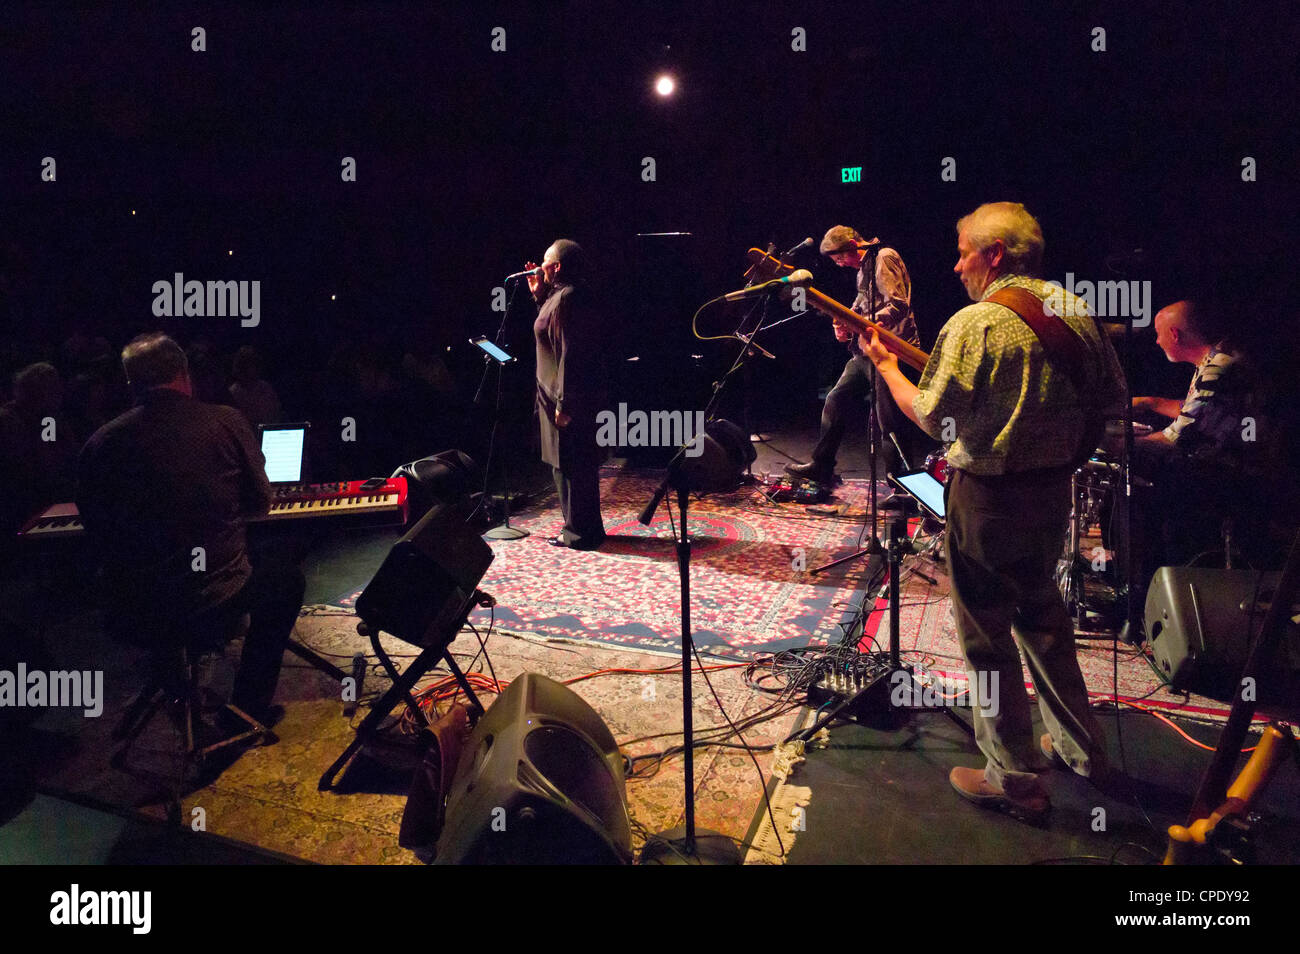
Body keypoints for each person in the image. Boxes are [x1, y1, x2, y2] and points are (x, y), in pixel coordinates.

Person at [863, 202, 1126, 820]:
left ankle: (1014, 779)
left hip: (988, 499)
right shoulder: (1074, 310)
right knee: (1044, 619)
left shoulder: (976, 323)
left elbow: (931, 413)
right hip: (1052, 494)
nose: (955, 266)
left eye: (963, 252)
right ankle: (1080, 749)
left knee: (986, 639)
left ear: (996, 254)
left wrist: (884, 365)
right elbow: (1112, 396)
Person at [77, 333, 302, 727]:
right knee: (285, 582)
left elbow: (96, 530)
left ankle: (175, 689)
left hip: (130, 607)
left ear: (131, 384)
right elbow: (261, 504)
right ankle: (246, 709)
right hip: (214, 599)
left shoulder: (99, 444)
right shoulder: (225, 421)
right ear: (185, 374)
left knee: (161, 584)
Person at [1129, 299, 1266, 570]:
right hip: (1223, 468)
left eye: (1159, 334)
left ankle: (1152, 575)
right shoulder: (1214, 360)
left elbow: (1176, 438)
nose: (1156, 342)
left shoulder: (1218, 368)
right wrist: (1150, 402)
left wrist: (1118, 442)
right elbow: (1200, 410)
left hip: (1235, 477)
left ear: (1175, 335)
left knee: (1142, 473)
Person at [786, 225, 923, 485]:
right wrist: (843, 322)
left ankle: (903, 488)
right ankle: (822, 465)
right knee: (835, 400)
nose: (839, 265)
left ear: (852, 245)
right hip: (865, 352)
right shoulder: (863, 269)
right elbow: (860, 305)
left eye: (840, 258)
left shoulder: (885, 257)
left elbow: (898, 304)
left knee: (890, 424)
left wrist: (860, 322)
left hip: (891, 352)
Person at [524, 240, 607, 550]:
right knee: (567, 465)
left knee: (573, 466)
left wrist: (565, 403)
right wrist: (537, 295)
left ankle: (579, 534)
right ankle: (582, 529)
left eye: (545, 261)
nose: (538, 266)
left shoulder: (569, 298)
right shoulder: (557, 296)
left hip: (566, 398)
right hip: (553, 394)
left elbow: (571, 355)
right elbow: (547, 333)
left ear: (556, 267)